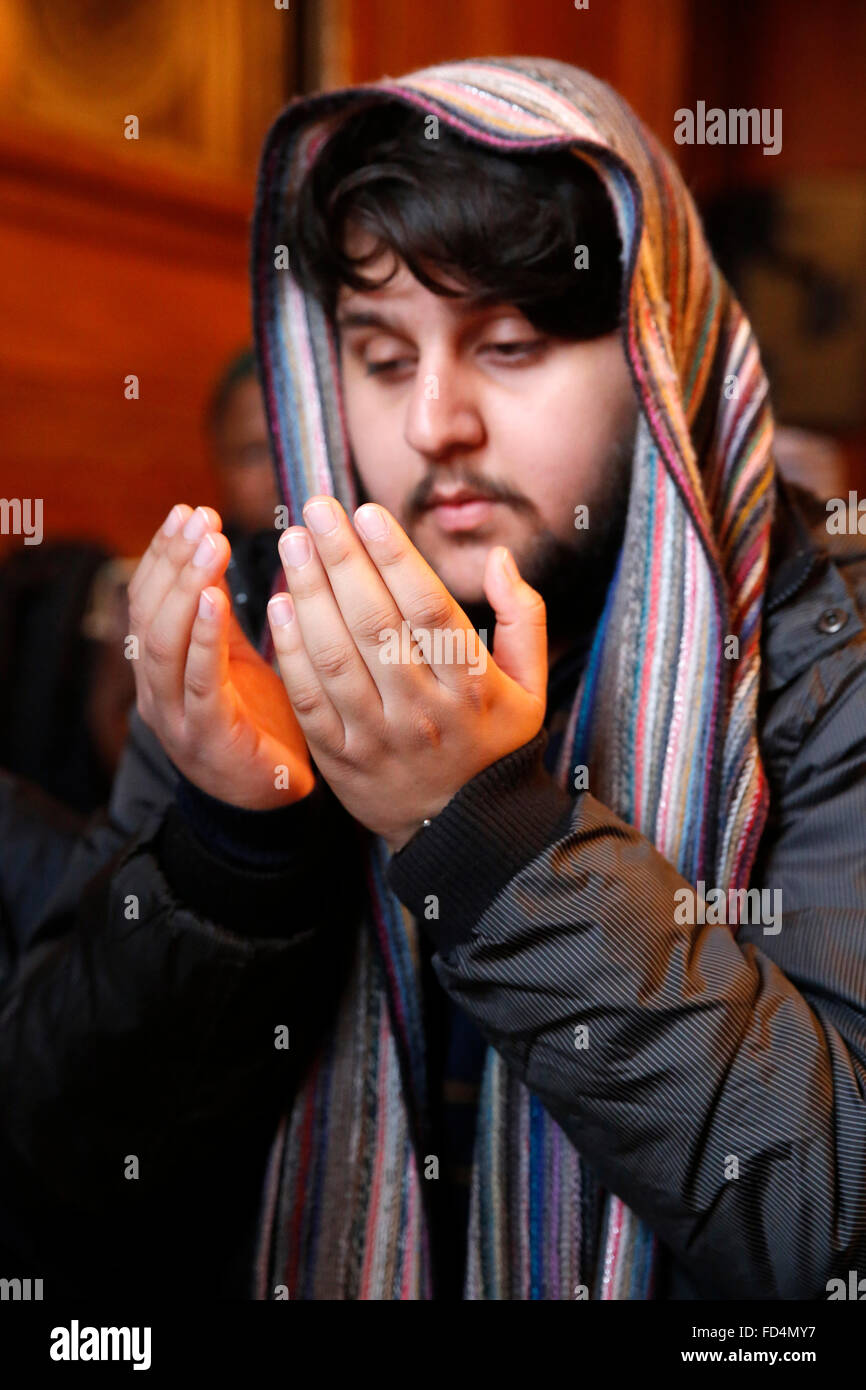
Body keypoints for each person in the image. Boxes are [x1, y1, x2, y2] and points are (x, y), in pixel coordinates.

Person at [1, 57, 865, 1302]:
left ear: (654, 360)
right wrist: (228, 854)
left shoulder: (816, 662)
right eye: (381, 355)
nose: (432, 426)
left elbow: (829, 1224)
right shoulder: (261, 624)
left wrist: (492, 840)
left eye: (507, 343)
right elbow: (53, 1169)